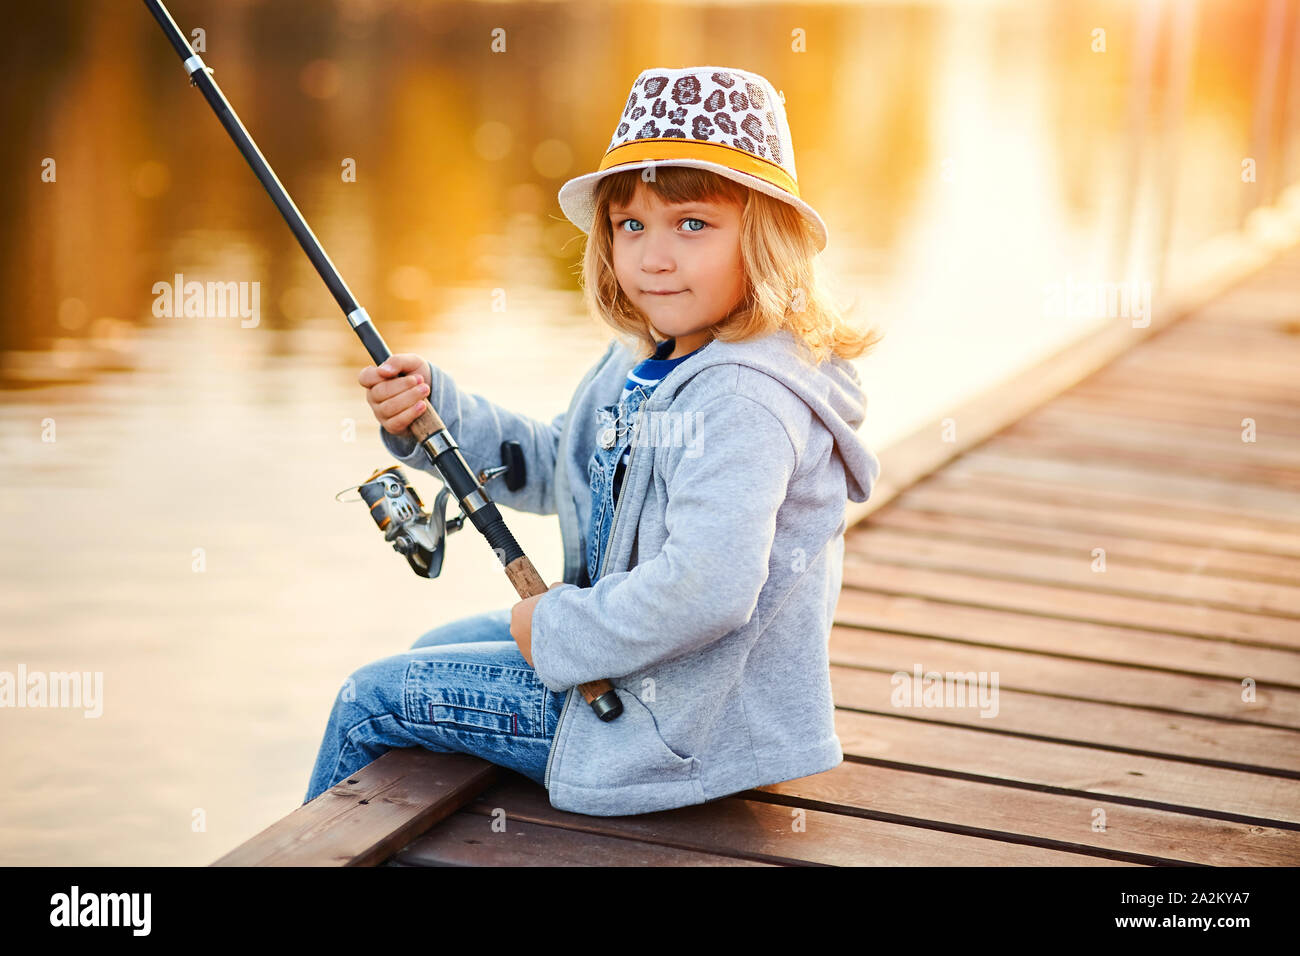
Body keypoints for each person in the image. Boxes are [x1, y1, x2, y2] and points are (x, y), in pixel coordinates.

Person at [303, 65, 883, 816]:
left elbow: (708, 589)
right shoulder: (645, 355)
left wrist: (557, 627)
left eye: (693, 224)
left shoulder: (745, 398)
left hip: (676, 721)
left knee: (367, 700)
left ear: (766, 237)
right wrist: (435, 410)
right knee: (431, 646)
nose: (653, 257)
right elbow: (555, 468)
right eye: (630, 225)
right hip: (635, 678)